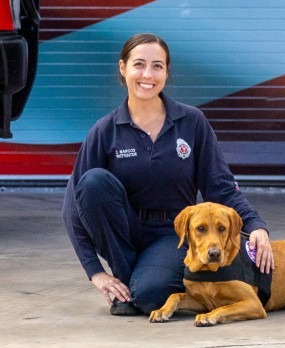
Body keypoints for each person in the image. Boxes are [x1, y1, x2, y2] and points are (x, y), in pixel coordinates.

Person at [62, 33, 272, 316]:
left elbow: (219, 186)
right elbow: (73, 206)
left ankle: (139, 286)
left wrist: (255, 224)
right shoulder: (105, 130)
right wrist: (96, 272)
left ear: (166, 72)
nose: (147, 74)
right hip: (123, 235)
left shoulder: (192, 122)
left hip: (172, 235)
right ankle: (126, 279)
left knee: (149, 297)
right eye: (139, 64)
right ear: (123, 69)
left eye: (157, 66)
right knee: (93, 182)